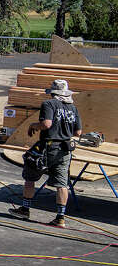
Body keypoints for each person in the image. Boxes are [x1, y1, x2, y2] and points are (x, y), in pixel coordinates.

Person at [10, 79, 82, 228]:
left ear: (53, 93)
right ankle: (60, 218)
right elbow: (78, 132)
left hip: (47, 148)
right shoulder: (73, 108)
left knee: (30, 176)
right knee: (62, 184)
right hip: (65, 150)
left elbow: (46, 124)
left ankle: (25, 209)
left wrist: (33, 125)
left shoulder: (48, 104)